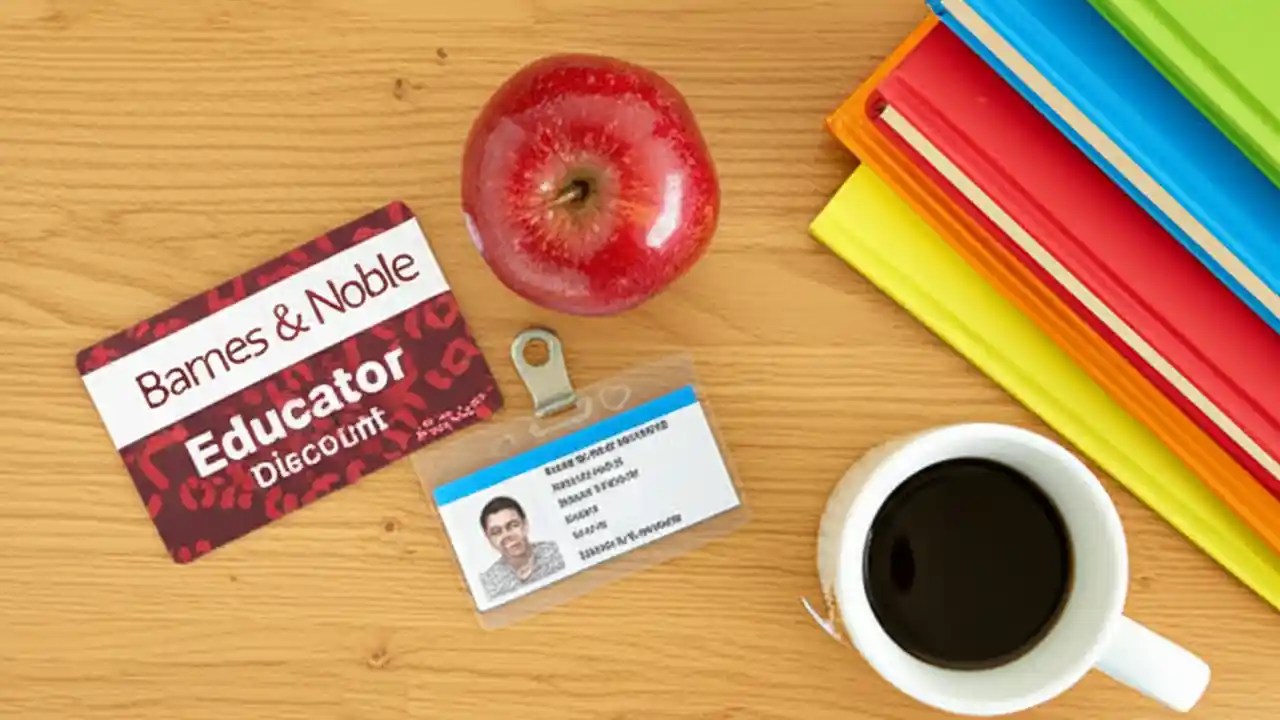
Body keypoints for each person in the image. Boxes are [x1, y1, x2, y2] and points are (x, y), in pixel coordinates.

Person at [478, 496, 565, 600]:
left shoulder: (557, 552)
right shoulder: (488, 583)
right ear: (489, 539)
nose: (507, 535)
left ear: (525, 525)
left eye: (513, 525)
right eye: (496, 532)